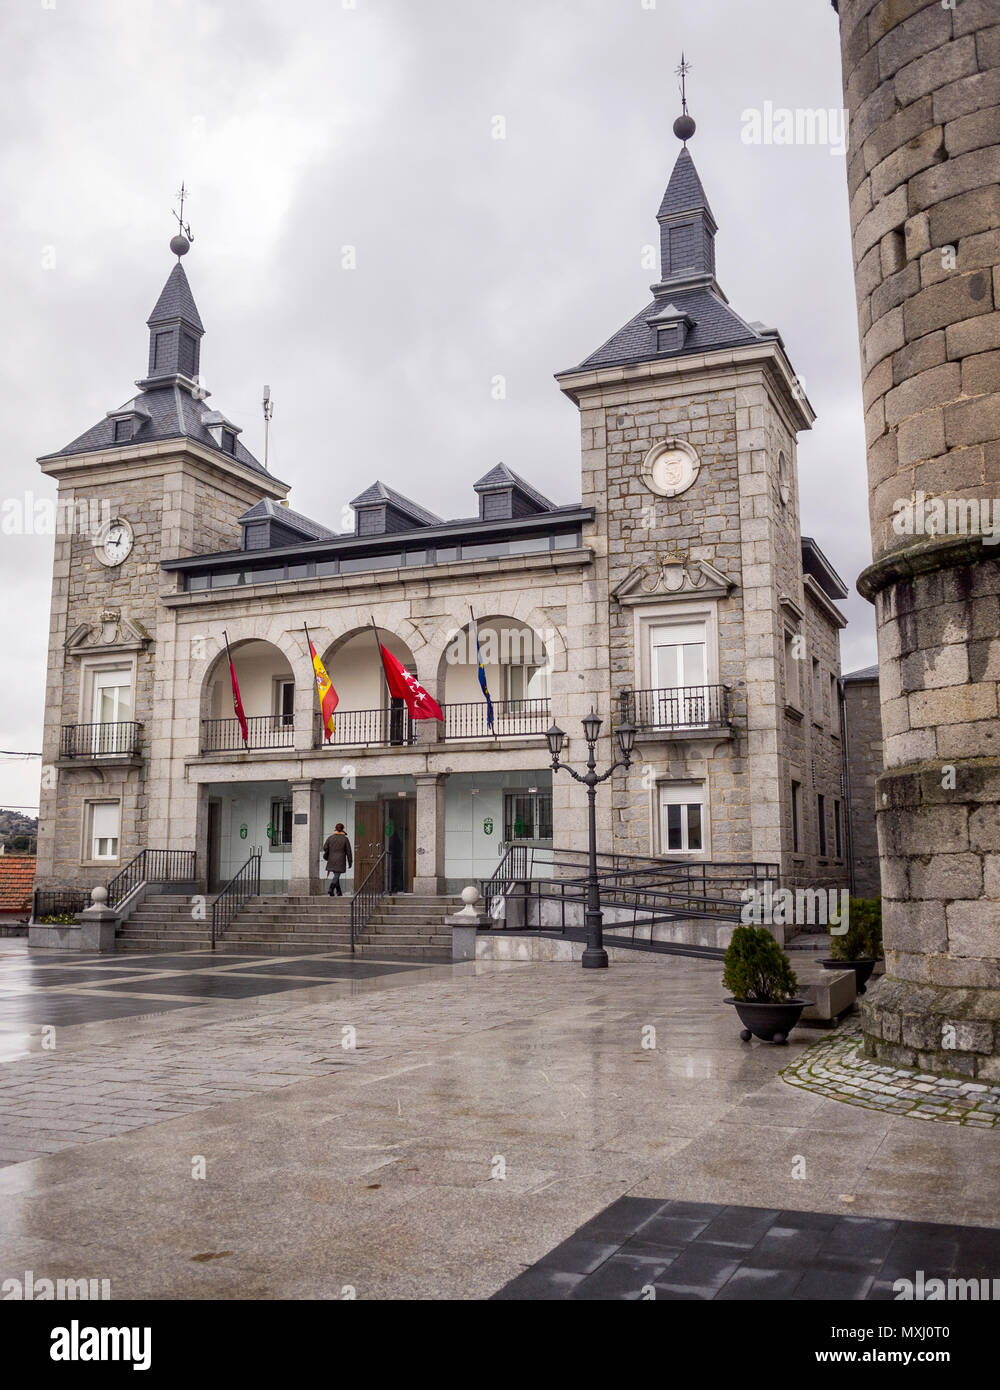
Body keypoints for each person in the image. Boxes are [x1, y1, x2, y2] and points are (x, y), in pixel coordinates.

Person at [322, 823, 353, 896]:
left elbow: (325, 847)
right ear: (342, 829)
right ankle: (331, 888)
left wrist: (330, 852)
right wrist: (350, 862)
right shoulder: (345, 839)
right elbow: (348, 851)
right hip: (340, 860)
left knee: (336, 875)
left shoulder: (330, 838)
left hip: (331, 859)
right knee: (337, 875)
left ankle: (339, 892)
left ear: (335, 828)